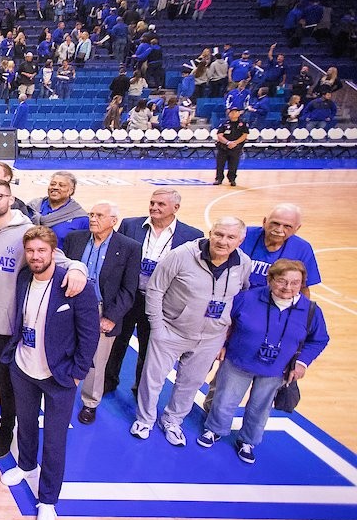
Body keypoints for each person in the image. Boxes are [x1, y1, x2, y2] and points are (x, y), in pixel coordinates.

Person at [0, 179, 87, 457]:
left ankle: (6, 428)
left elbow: (59, 259)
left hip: (6, 327)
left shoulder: (27, 232)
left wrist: (78, 269)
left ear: (10, 198)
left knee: (6, 386)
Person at [0, 226, 100, 520]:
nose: (35, 256)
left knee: (55, 440)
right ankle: (26, 465)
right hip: (24, 367)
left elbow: (90, 332)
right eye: (30, 251)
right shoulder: (24, 277)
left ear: (54, 253)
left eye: (42, 251)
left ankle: (47, 501)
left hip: (59, 375)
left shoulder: (75, 285)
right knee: (25, 425)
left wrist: (78, 371)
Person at [131, 217, 252, 445]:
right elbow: (155, 289)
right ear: (210, 232)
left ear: (240, 240)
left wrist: (226, 333)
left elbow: (241, 296)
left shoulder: (243, 264)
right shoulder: (182, 254)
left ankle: (172, 421)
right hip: (171, 330)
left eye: (230, 237)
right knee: (152, 379)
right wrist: (157, 327)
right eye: (219, 234)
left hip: (211, 337)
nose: (223, 241)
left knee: (191, 383)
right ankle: (144, 419)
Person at [198, 259, 329, 464]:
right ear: (270, 279)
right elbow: (224, 322)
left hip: (277, 369)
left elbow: (319, 339)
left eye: (295, 283)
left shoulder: (311, 311)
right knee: (225, 399)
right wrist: (221, 344)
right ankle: (215, 430)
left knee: (260, 407)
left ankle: (248, 441)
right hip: (238, 361)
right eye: (282, 281)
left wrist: (302, 362)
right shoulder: (246, 298)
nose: (288, 287)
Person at [108, 189, 203, 397]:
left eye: (161, 204)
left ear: (175, 208)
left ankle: (140, 389)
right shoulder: (130, 225)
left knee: (149, 349)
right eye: (152, 203)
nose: (154, 208)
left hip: (159, 302)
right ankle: (108, 381)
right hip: (128, 296)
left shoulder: (192, 236)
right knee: (117, 342)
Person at [60, 203, 141, 424]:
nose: (93, 219)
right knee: (61, 350)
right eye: (91, 214)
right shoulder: (74, 239)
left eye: (99, 215)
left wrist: (111, 317)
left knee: (96, 361)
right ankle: (59, 392)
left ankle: (89, 403)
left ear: (113, 220)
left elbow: (128, 289)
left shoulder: (129, 247)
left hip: (101, 309)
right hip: (70, 303)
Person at [239, 204, 322, 293]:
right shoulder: (242, 235)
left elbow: (303, 287)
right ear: (264, 222)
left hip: (276, 301)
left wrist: (304, 307)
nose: (279, 230)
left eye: (287, 226)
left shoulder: (302, 248)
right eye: (275, 223)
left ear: (297, 228)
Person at [28, 171, 89, 249]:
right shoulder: (32, 207)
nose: (55, 187)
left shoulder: (81, 218)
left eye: (62, 185)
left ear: (71, 190)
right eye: (52, 184)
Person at [213, 106, 249, 186]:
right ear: (229, 114)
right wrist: (228, 143)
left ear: (239, 113)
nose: (233, 113)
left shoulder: (243, 124)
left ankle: (232, 179)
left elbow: (244, 135)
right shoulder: (224, 124)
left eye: (236, 112)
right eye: (232, 112)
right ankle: (219, 179)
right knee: (220, 164)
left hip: (236, 148)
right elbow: (219, 135)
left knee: (233, 165)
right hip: (223, 147)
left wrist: (235, 143)